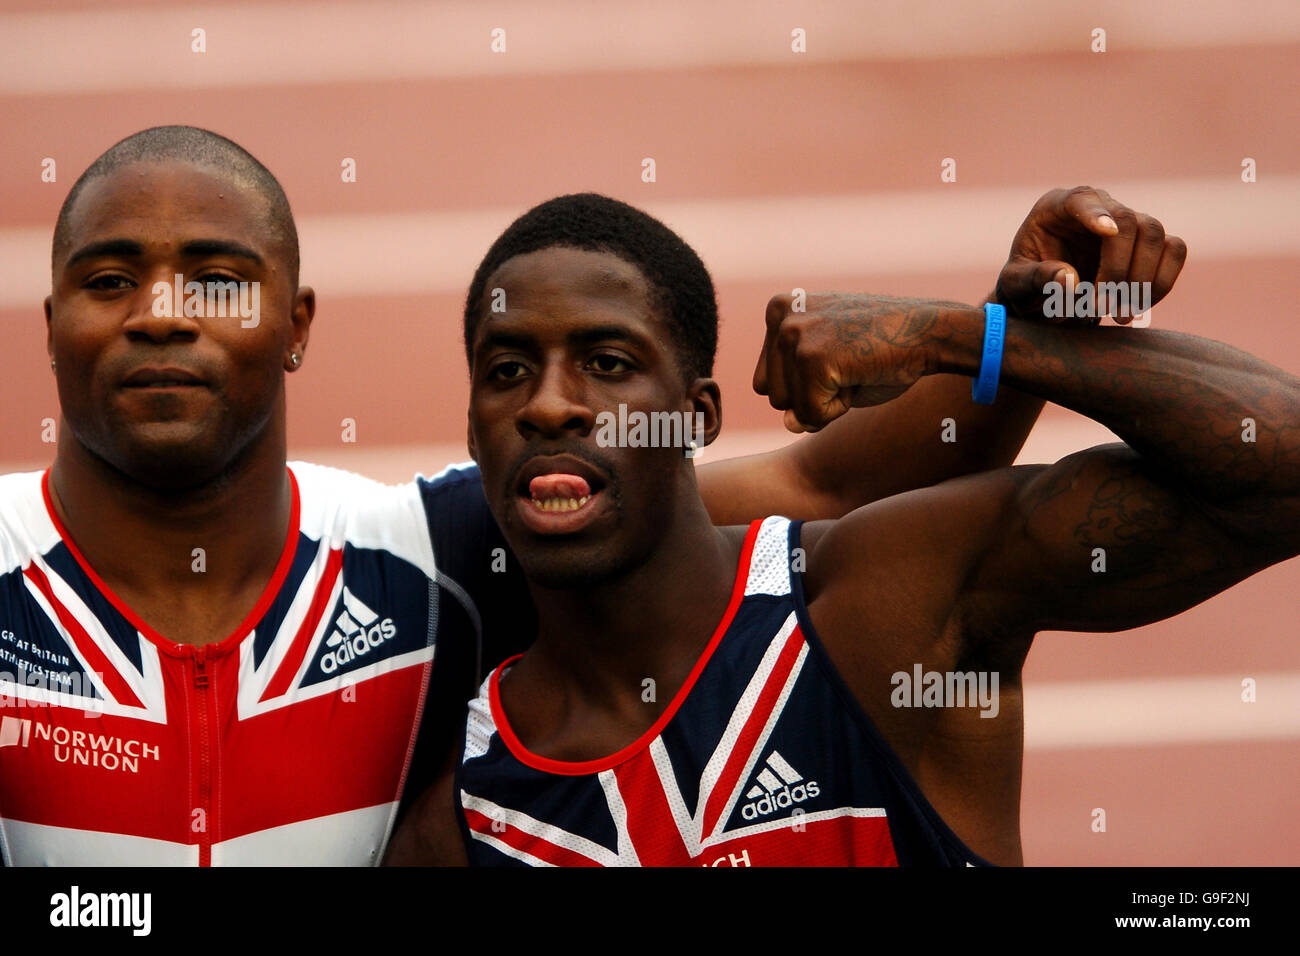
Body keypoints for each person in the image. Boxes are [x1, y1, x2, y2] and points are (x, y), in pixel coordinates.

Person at [0, 124, 1138, 865]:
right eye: (108, 281)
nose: (160, 310)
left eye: (217, 279)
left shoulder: (428, 555)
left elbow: (829, 475)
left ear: (297, 327)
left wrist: (1009, 327)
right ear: (51, 325)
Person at [385, 191, 1297, 867]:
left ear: (697, 416)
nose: (549, 405)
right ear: (472, 430)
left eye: (608, 363)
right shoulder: (466, 826)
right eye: (507, 371)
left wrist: (974, 339)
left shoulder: (888, 606)